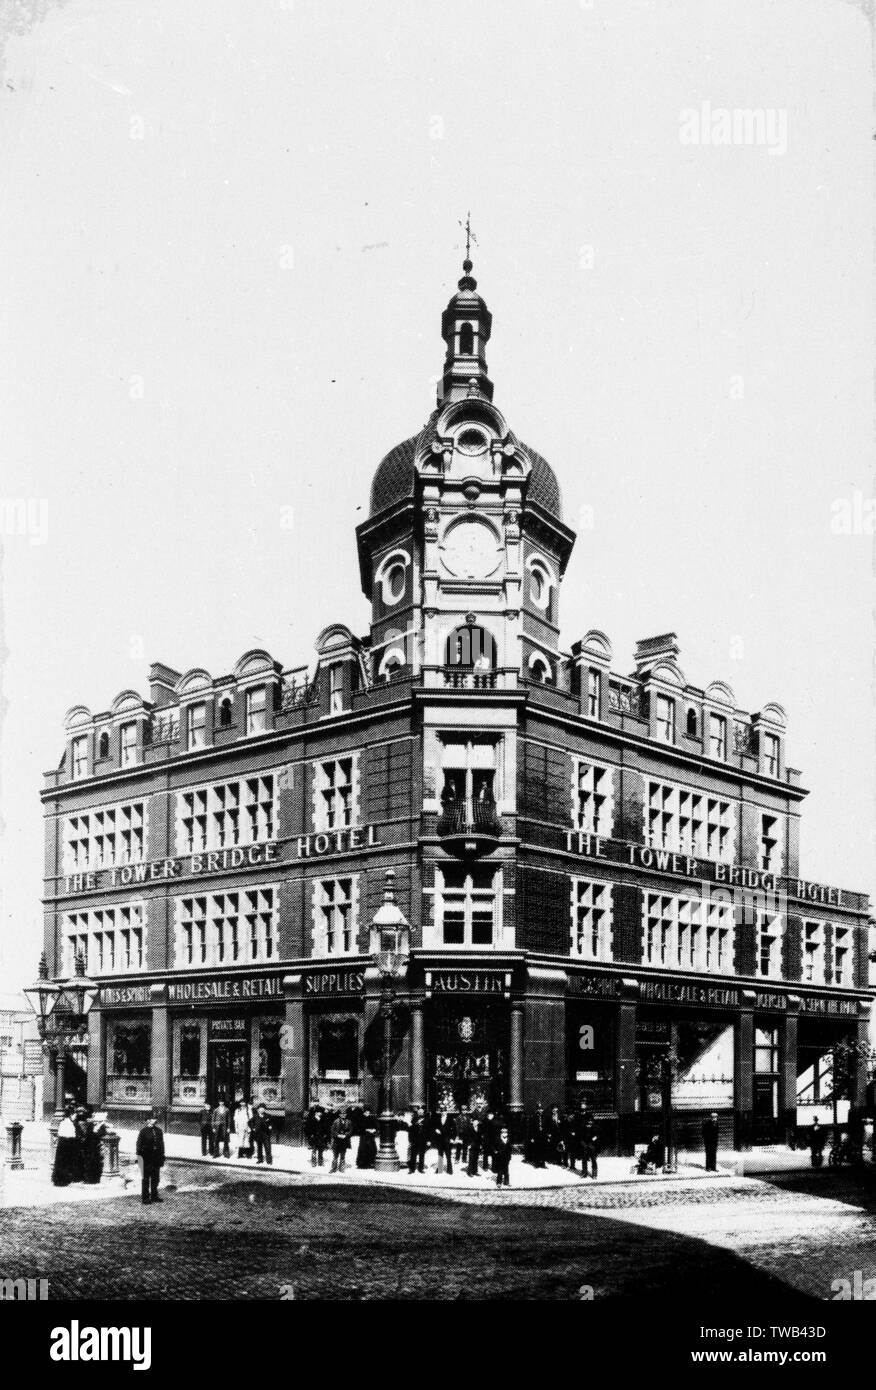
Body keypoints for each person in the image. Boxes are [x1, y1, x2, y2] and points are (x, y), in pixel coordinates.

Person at [136, 1112, 166, 1205]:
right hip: (146, 1158)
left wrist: (162, 1156)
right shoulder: (143, 1131)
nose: (154, 1120)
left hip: (156, 1157)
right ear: (148, 1120)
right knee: (145, 1178)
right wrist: (140, 1157)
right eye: (152, 1118)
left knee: (155, 1178)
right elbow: (139, 1145)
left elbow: (161, 1144)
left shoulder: (159, 1131)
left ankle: (154, 1195)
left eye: (155, 1118)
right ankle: (145, 1197)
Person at [52, 1105, 81, 1187]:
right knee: (67, 1162)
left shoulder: (63, 1122)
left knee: (61, 1163)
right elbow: (72, 1135)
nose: (76, 1116)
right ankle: (65, 1179)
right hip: (67, 1144)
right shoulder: (70, 1123)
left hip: (62, 1144)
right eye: (74, 1114)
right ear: (71, 1114)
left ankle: (60, 1179)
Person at [567, 1104, 592, 1176]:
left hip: (587, 1138)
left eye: (584, 1109)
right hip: (579, 1137)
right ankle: (583, 1171)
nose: (582, 1111)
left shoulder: (589, 1116)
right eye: (581, 1109)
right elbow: (574, 1125)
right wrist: (573, 1132)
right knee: (577, 1152)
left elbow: (592, 1125)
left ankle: (592, 1172)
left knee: (588, 1155)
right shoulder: (577, 1116)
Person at [82, 1111, 107, 1184]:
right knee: (88, 1162)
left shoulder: (102, 1126)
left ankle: (92, 1179)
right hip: (90, 1147)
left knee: (93, 1163)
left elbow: (100, 1136)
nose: (95, 1120)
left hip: (96, 1148)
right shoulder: (93, 1125)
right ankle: (87, 1179)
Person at [434, 1110, 458, 1176]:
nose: (443, 1112)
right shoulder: (438, 1119)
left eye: (444, 1111)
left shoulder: (450, 1119)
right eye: (442, 1111)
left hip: (447, 1140)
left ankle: (449, 1169)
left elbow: (455, 1130)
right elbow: (434, 1127)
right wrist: (436, 1130)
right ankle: (439, 1169)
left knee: (448, 1155)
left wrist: (452, 1139)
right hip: (440, 1140)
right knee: (440, 1155)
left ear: (446, 1112)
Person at [525, 1102, 548, 1168]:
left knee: (543, 1149)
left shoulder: (545, 1117)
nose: (540, 1110)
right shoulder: (534, 1117)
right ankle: (537, 1163)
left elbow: (547, 1127)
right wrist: (532, 1137)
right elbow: (531, 1128)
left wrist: (548, 1135)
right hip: (536, 1136)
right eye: (539, 1109)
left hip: (543, 1136)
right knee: (537, 1150)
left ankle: (543, 1163)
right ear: (537, 1110)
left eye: (541, 1109)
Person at [407, 1106, 427, 1175]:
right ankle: (412, 1169)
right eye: (419, 1111)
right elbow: (411, 1129)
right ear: (418, 1112)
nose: (421, 1112)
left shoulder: (426, 1119)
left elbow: (428, 1130)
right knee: (413, 1155)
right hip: (415, 1139)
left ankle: (421, 1168)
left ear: (423, 1112)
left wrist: (428, 1140)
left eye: (422, 1111)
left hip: (423, 1139)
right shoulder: (414, 1118)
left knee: (422, 1155)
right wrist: (410, 1140)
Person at [580, 1114, 599, 1179]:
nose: (590, 1122)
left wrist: (592, 1143)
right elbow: (581, 1138)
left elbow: (597, 1136)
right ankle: (584, 1173)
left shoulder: (595, 1127)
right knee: (584, 1160)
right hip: (585, 1146)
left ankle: (594, 1174)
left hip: (592, 1146)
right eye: (588, 1121)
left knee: (593, 1160)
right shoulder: (583, 1128)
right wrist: (584, 1144)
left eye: (591, 1121)